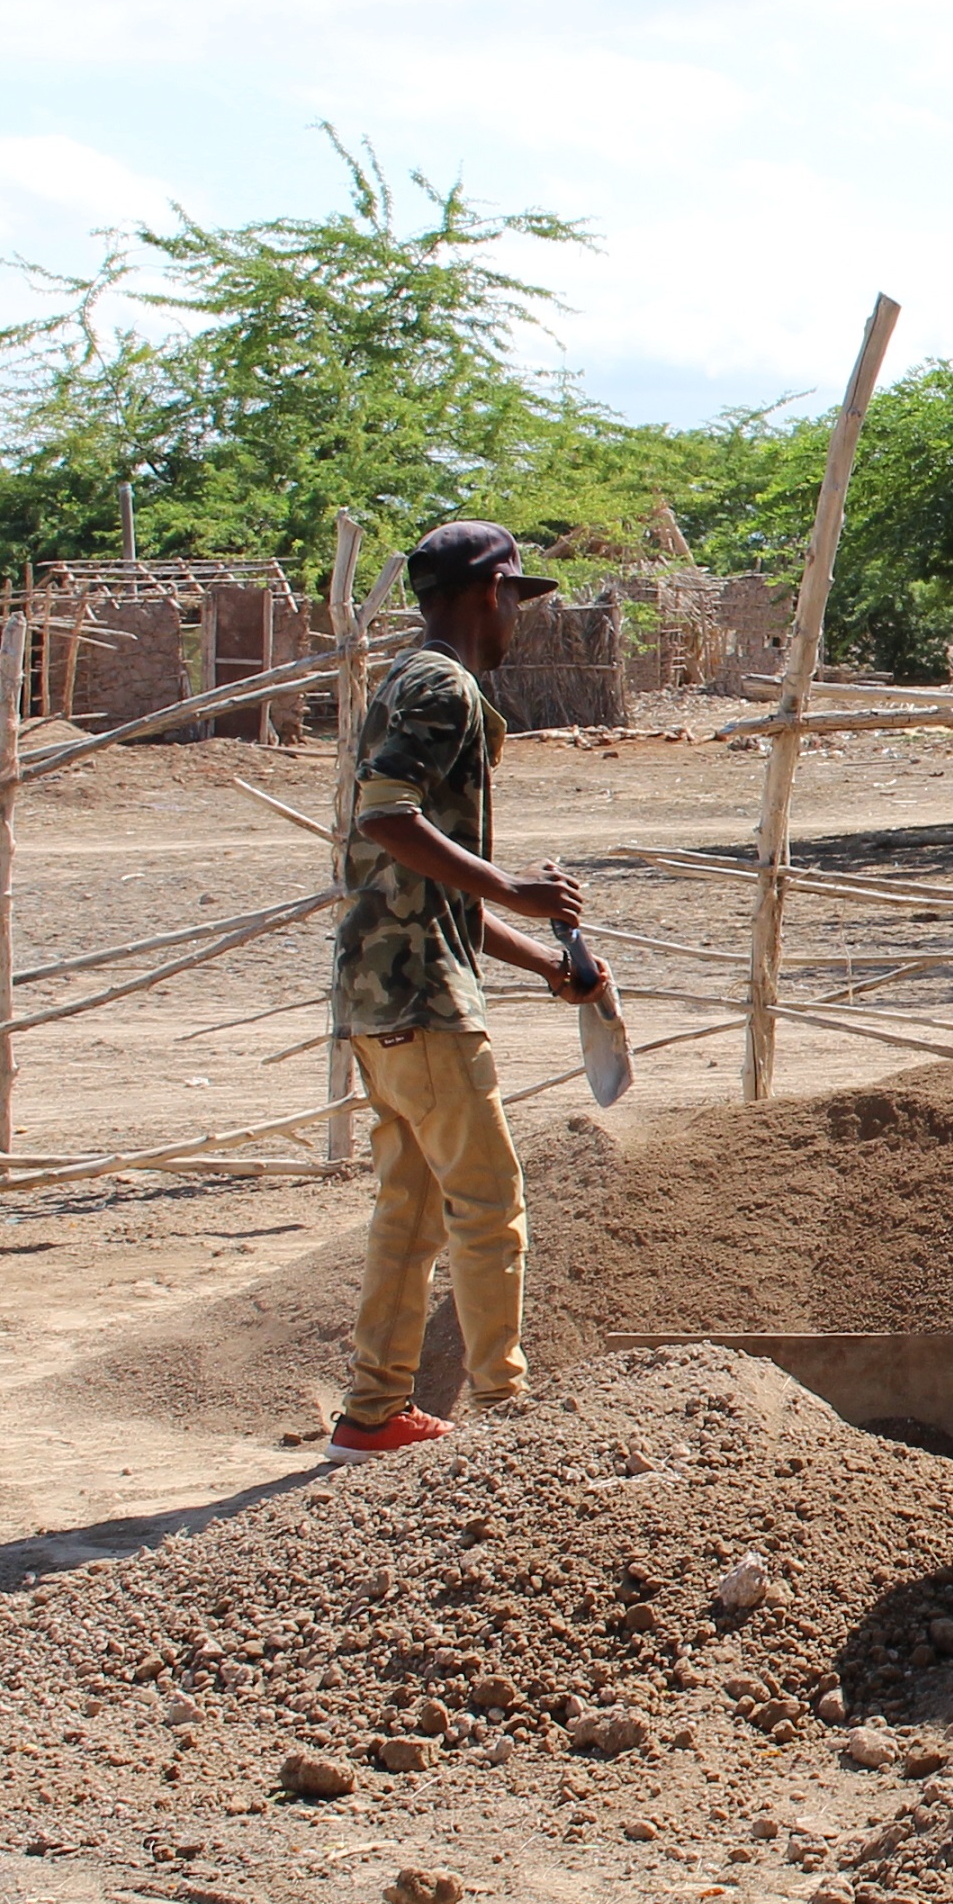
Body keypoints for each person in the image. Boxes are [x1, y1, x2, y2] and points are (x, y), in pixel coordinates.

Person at [323, 520, 623, 1459]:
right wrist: (517, 891)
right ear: (489, 590)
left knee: (409, 1210)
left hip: (382, 992)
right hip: (421, 996)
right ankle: (507, 1419)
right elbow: (387, 818)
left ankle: (374, 1413)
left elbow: (418, 876)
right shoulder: (443, 685)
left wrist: (547, 963)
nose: (519, 623)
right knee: (489, 1204)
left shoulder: (410, 683)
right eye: (516, 601)